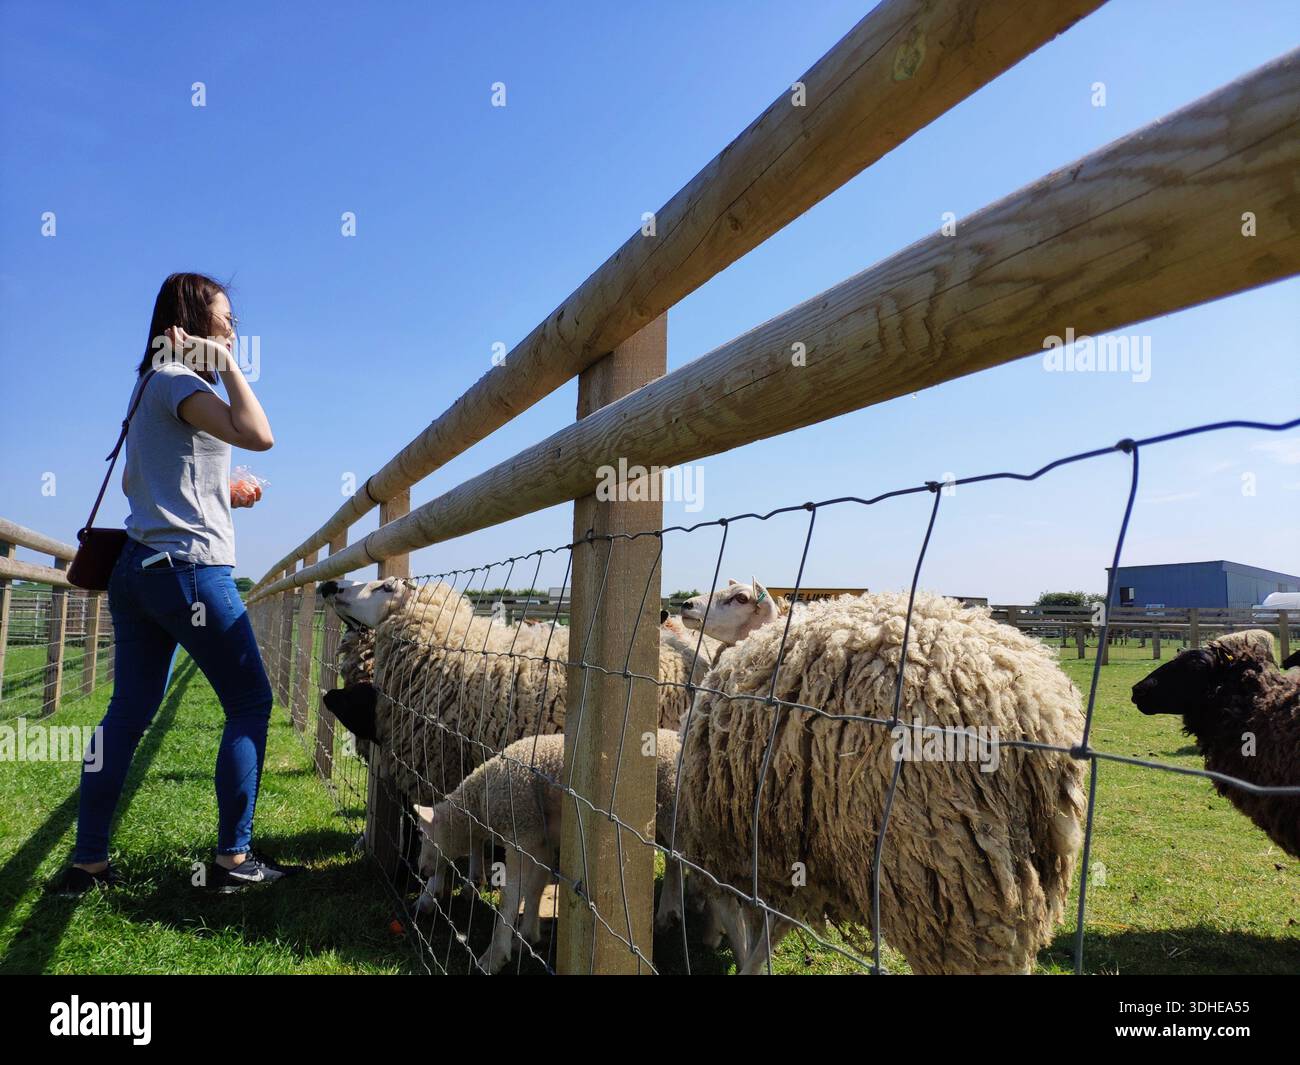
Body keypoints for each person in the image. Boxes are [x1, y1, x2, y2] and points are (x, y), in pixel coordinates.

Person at [51, 272, 294, 896]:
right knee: (249, 703)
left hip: (139, 569)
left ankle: (88, 864)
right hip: (188, 570)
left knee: (126, 714)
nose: (234, 329)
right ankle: (233, 863)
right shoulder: (181, 379)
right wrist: (229, 367)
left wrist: (223, 495)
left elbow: (143, 486)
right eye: (227, 319)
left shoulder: (147, 387)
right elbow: (260, 435)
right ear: (193, 320)